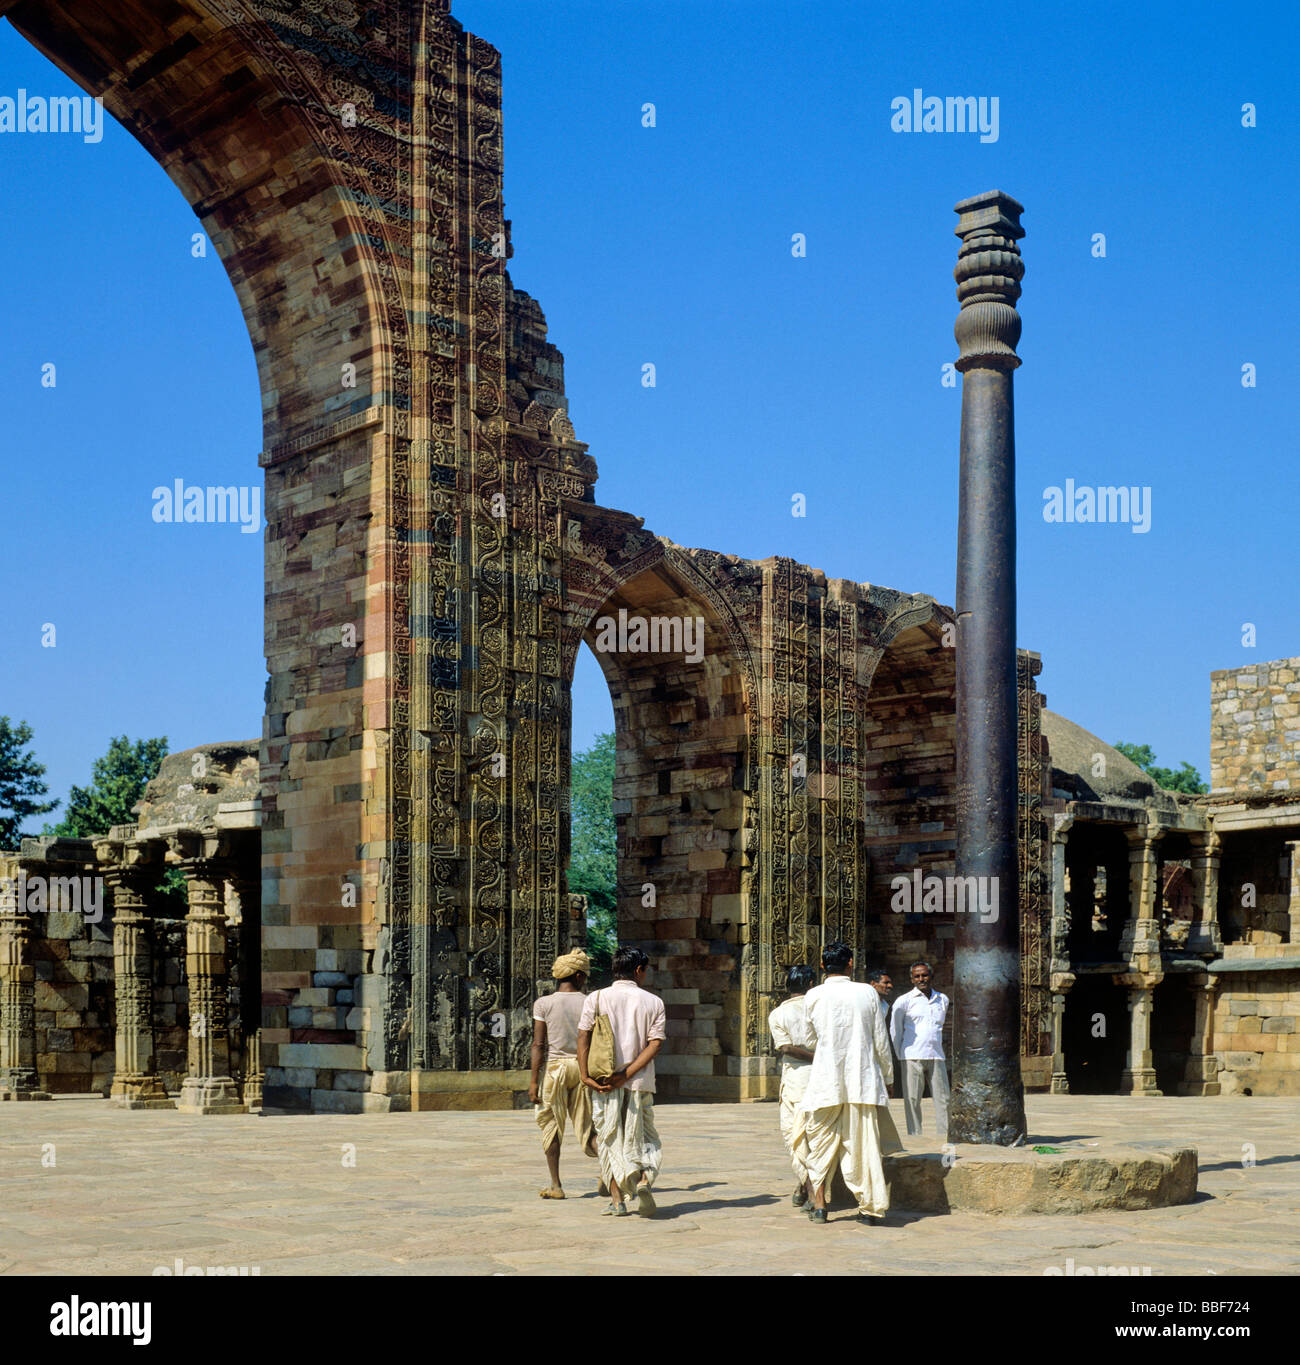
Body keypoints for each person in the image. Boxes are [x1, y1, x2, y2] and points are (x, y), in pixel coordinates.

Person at [793, 940, 902, 1225]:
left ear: (821, 966)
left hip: (825, 1081)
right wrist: (888, 1076)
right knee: (863, 1144)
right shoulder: (867, 992)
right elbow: (880, 1039)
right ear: (851, 964)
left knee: (819, 1143)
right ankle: (868, 1208)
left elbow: (808, 1038)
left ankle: (819, 1205)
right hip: (861, 1079)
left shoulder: (813, 995)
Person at [577, 946, 667, 1218]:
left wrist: (584, 1074)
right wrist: (627, 1075)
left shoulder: (597, 997)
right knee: (644, 1137)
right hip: (639, 1083)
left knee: (609, 1138)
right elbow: (654, 1045)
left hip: (603, 1081)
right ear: (639, 970)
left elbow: (583, 1037)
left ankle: (617, 1201)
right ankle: (642, 1179)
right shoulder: (654, 1002)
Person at [530, 949, 598, 1199]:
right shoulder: (590, 1001)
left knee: (551, 1126)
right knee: (589, 1128)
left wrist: (533, 1081)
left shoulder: (544, 1003)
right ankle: (610, 1172)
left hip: (555, 1069)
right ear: (579, 976)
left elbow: (538, 1045)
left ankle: (556, 1185)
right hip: (583, 1069)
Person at [767, 964, 817, 1206]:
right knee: (816, 1135)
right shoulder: (818, 1008)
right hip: (820, 1076)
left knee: (796, 1135)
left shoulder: (777, 1013)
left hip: (795, 1079)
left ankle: (810, 1187)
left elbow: (785, 1047)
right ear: (810, 985)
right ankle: (806, 1186)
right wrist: (819, 1057)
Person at [889, 959, 950, 1140]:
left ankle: (944, 1134)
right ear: (912, 979)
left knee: (943, 1099)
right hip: (911, 1055)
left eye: (924, 975)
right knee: (912, 1099)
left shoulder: (942, 999)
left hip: (936, 1054)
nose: (921, 979)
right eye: (917, 976)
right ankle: (915, 1136)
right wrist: (901, 1055)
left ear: (931, 976)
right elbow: (895, 1030)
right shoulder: (904, 1001)